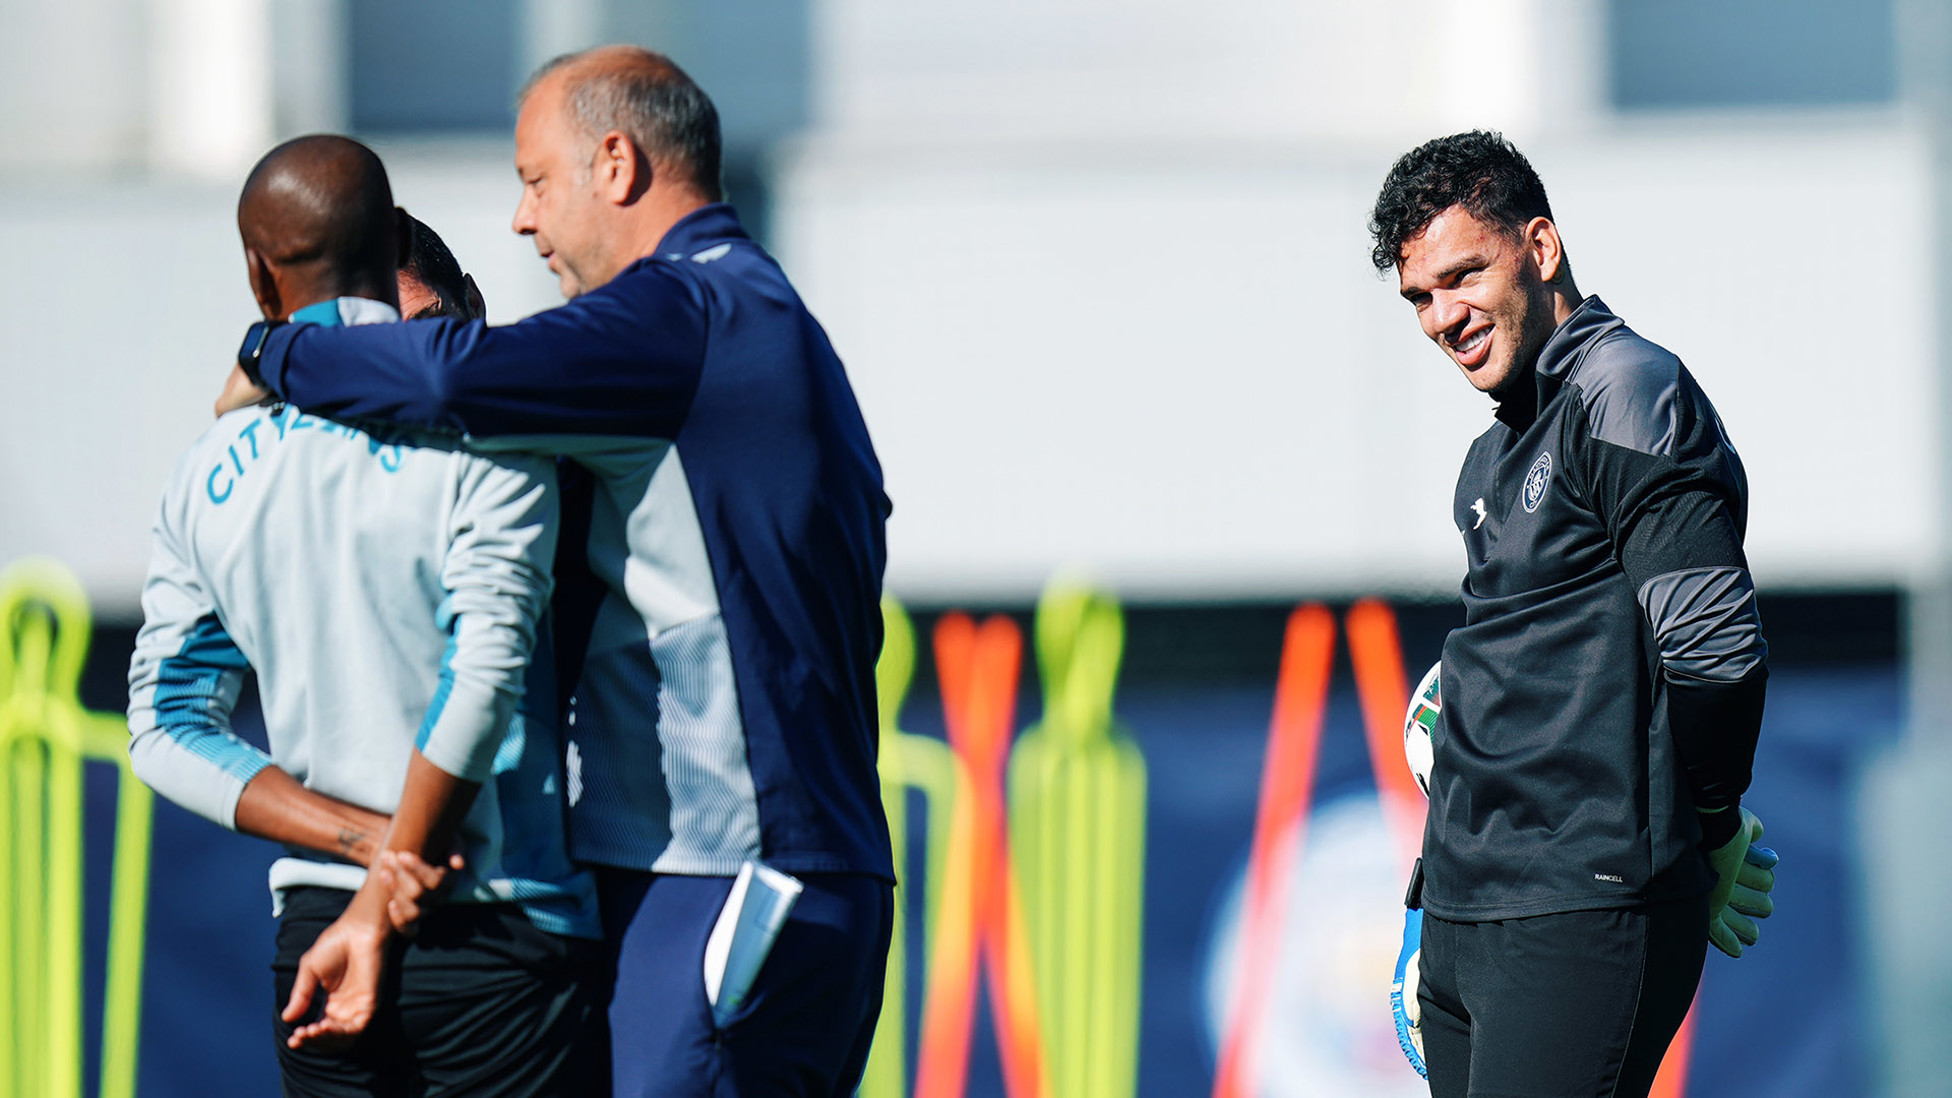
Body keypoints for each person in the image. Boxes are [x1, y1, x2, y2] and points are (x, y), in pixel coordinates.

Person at [223, 48, 895, 1097]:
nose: (522, 221)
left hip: (727, 875)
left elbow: (452, 376)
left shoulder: (681, 314)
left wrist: (277, 357)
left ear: (616, 165)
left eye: (535, 181)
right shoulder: (769, 317)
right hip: (783, 864)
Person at [127, 134, 601, 1097]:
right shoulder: (495, 424)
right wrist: (402, 859)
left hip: (313, 937)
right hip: (498, 923)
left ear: (262, 279)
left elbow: (164, 728)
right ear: (389, 242)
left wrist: (364, 845)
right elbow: (484, 675)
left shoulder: (206, 478)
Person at [1368, 131, 1776, 1097]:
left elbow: (1715, 654)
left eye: (1464, 275)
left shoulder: (1629, 391)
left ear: (1540, 247)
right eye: (1419, 297)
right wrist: (1433, 898)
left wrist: (1710, 824)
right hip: (1465, 915)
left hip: (1582, 909)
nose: (1443, 317)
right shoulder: (1488, 460)